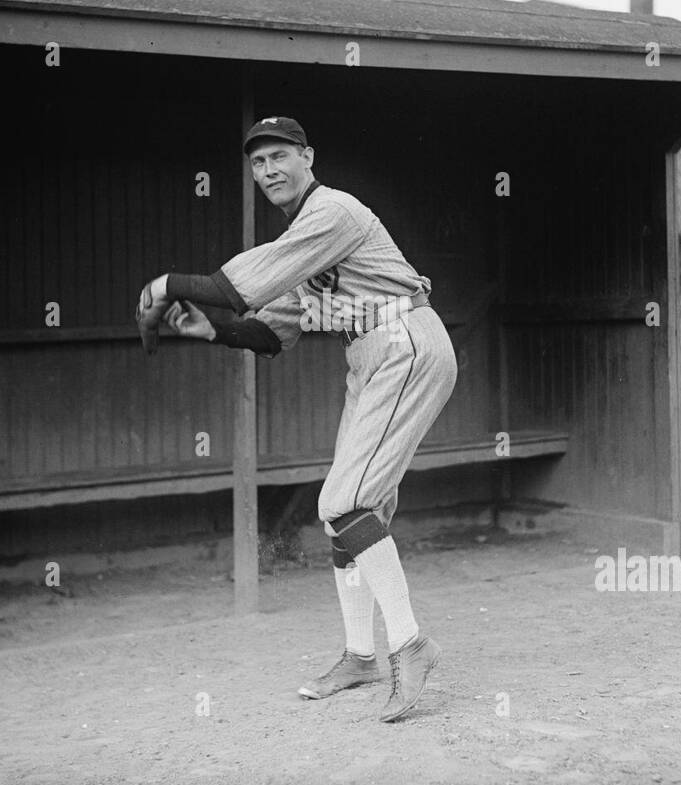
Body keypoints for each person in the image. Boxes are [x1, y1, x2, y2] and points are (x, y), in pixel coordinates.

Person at [141, 116, 458, 722]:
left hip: (404, 341)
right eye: (258, 164)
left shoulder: (332, 212)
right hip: (369, 355)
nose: (269, 172)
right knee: (350, 516)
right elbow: (268, 330)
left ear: (308, 157)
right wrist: (209, 331)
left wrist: (165, 285)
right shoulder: (310, 243)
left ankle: (412, 645)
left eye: (280, 156)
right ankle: (361, 655)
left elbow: (230, 285)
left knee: (343, 501)